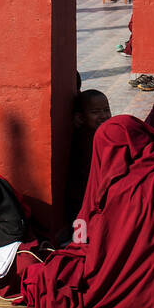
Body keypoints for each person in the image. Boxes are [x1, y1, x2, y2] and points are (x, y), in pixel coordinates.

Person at [20, 116, 154, 308]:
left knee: (47, 274)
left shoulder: (120, 187)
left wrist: (77, 245)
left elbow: (101, 237)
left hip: (140, 288)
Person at [66, 90, 112, 227]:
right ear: (80, 118)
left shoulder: (102, 135)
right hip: (82, 202)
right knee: (82, 236)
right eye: (95, 112)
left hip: (95, 198)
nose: (103, 116)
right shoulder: (86, 140)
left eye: (106, 110)